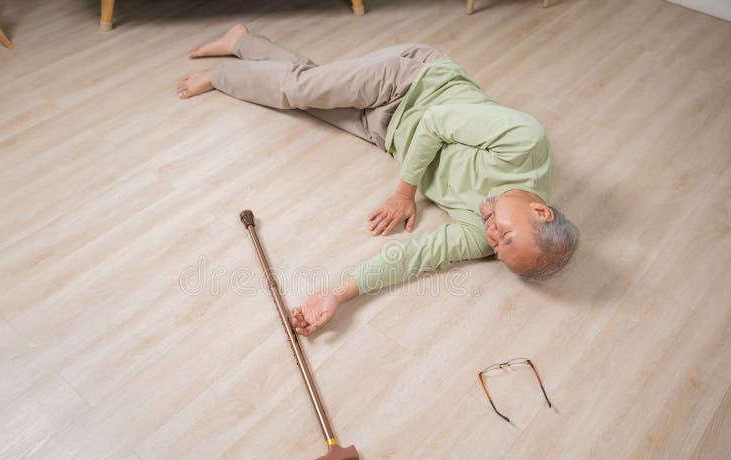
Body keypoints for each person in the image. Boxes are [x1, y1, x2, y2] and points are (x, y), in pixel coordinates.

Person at [178, 24, 579, 336]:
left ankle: (243, 40)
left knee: (307, 88)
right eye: (506, 236)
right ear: (540, 210)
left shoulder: (483, 235)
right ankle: (222, 75)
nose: (492, 236)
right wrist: (405, 193)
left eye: (498, 248)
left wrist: (338, 294)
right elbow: (434, 121)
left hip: (387, 133)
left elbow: (413, 258)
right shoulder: (525, 143)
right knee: (300, 89)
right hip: (412, 81)